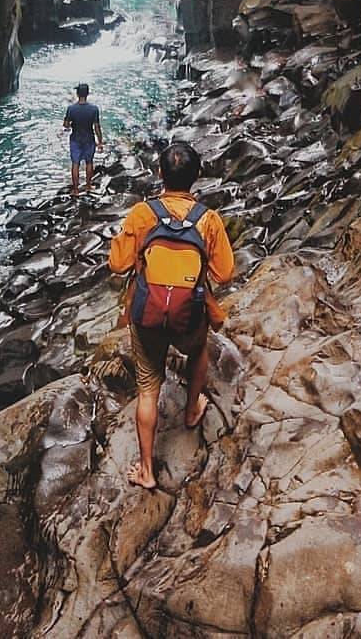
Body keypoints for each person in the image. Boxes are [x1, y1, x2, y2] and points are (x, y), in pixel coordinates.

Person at [108, 141, 234, 489]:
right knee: (198, 352)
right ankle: (192, 410)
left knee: (148, 389)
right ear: (197, 177)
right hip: (189, 314)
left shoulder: (141, 214)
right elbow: (224, 274)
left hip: (147, 314)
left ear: (159, 173)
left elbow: (117, 265)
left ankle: (147, 470)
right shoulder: (208, 220)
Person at [63, 82, 103, 192]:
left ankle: (75, 189)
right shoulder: (94, 109)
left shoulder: (71, 109)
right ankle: (88, 186)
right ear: (87, 94)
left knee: (75, 164)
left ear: (77, 94)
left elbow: (66, 125)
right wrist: (100, 142)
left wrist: (71, 124)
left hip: (75, 139)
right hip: (89, 139)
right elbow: (97, 127)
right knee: (89, 162)